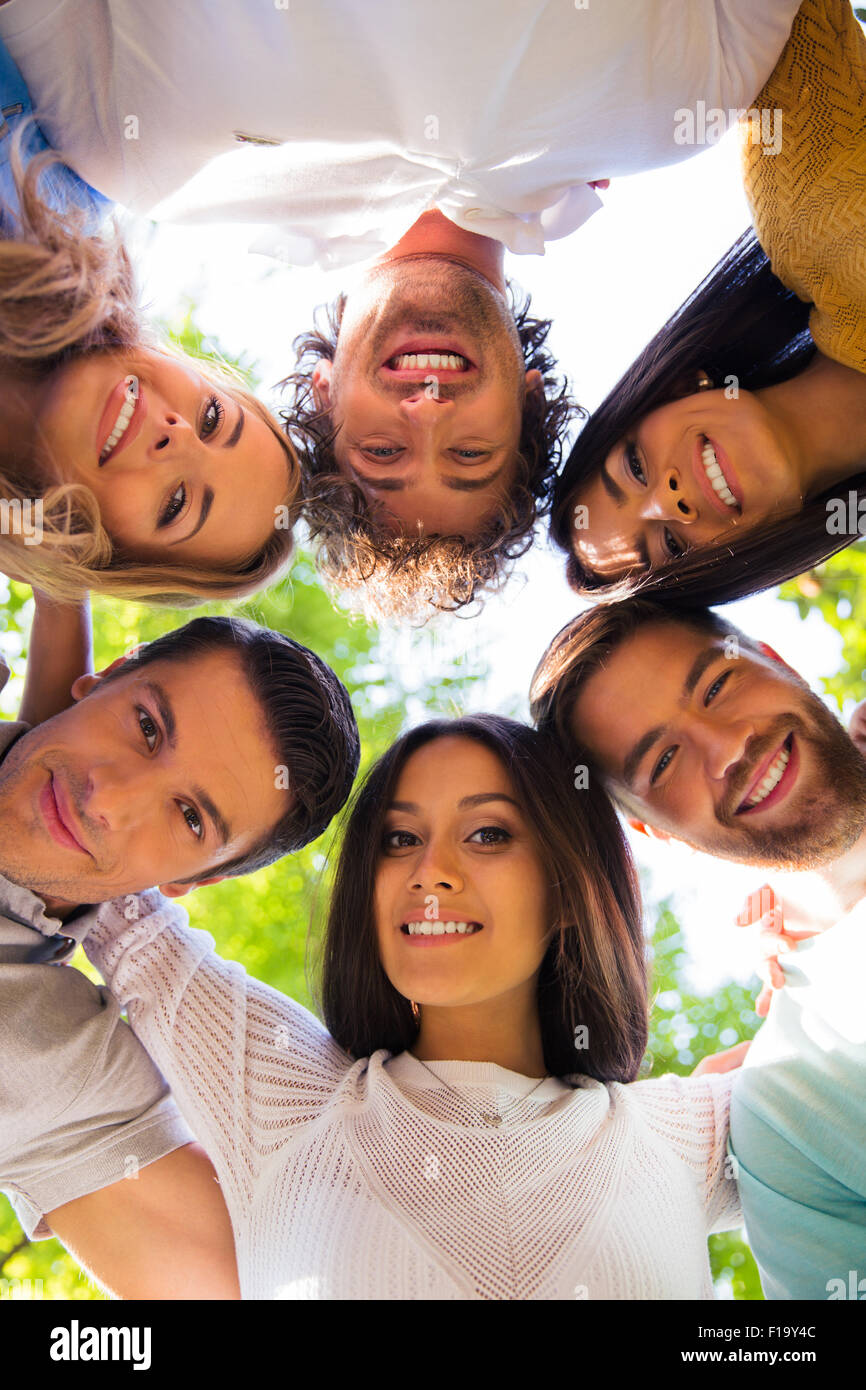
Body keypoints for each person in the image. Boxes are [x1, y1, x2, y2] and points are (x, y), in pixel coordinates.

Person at [0, 0, 803, 617]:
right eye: (469, 455)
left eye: (382, 452)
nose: (426, 410)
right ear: (528, 396)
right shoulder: (679, 109)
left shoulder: (144, 168)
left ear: (322, 395)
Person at [39, 714, 747, 1300]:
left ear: (568, 889)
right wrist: (60, 595)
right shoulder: (286, 1102)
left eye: (488, 834)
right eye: (399, 839)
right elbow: (86, 862)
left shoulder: (690, 1137)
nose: (428, 871)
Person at [0, 605, 359, 1296]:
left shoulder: (62, 1067)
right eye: (146, 727)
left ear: (190, 883)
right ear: (100, 676)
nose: (109, 797)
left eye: (189, 817)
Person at [530, 597, 866, 1297]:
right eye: (666, 760)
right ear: (659, 832)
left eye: (718, 686)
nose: (728, 745)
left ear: (776, 661)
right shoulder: (787, 1108)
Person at [550, 0, 866, 606]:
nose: (667, 501)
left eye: (635, 468)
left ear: (675, 389)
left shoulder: (810, 209)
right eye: (669, 545)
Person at [0, 149, 300, 603]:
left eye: (177, 504)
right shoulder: (63, 165)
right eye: (213, 419)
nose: (179, 439)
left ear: (103, 554)